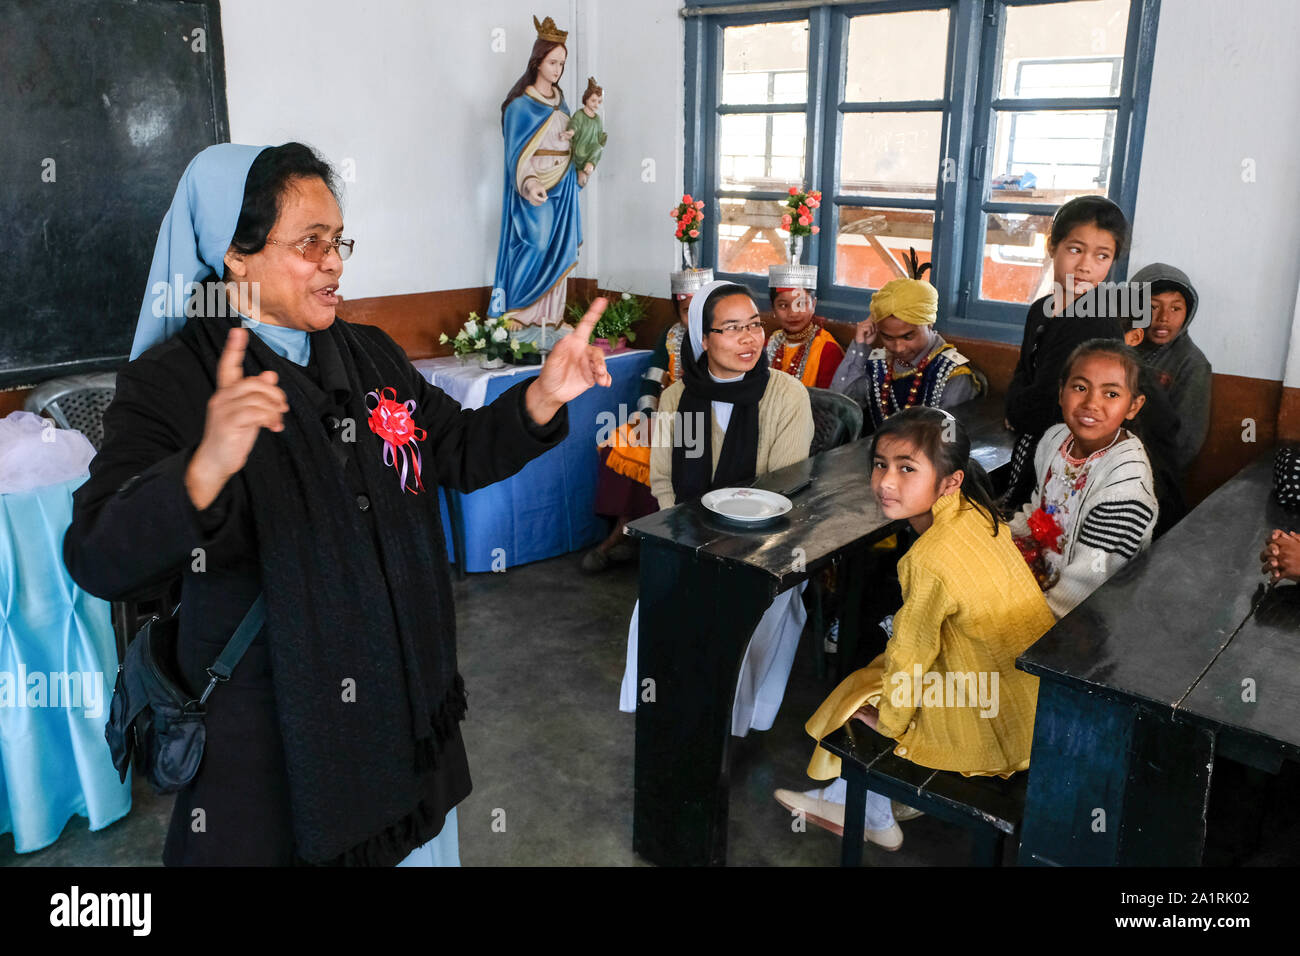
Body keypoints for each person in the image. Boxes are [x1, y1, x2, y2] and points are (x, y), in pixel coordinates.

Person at [63, 142, 613, 866]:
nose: (335, 262)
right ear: (236, 254)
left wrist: (542, 397)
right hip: (282, 743)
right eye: (309, 243)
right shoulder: (172, 382)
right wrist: (202, 471)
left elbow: (455, 449)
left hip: (408, 708)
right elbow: (99, 554)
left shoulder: (371, 354)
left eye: (338, 239)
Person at [775, 407, 1054, 850]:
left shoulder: (930, 557)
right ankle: (862, 806)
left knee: (865, 687)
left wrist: (890, 722)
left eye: (907, 468)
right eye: (881, 464)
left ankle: (867, 810)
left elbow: (911, 654)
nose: (886, 481)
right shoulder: (978, 517)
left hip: (991, 722)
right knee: (882, 667)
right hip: (1032, 705)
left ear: (950, 481)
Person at [619, 280, 815, 736]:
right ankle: (666, 710)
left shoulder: (786, 396)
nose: (750, 339)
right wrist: (683, 545)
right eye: (731, 329)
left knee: (737, 629)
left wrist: (729, 552)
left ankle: (728, 725)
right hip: (689, 540)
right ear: (702, 339)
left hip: (765, 549)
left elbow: (781, 491)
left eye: (753, 326)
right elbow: (665, 483)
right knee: (657, 611)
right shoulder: (677, 398)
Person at [1001, 196, 1181, 515]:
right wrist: (1021, 406)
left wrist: (1018, 409)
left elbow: (1046, 409)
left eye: (1102, 256)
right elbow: (1024, 379)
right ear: (1051, 246)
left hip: (1089, 475)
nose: (1086, 266)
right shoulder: (1041, 311)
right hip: (1046, 454)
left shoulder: (1095, 320)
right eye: (1075, 249)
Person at [1008, 340, 1159, 619]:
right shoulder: (1054, 439)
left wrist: (1028, 622)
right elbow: (1039, 513)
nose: (1091, 404)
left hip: (1085, 617)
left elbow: (1089, 582)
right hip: (1043, 578)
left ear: (1133, 406)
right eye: (1080, 388)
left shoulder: (1124, 485)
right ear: (1061, 392)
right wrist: (997, 540)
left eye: (1111, 394)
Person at [581, 268, 710, 572]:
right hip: (664, 419)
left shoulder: (718, 337)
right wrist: (648, 416)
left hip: (702, 425)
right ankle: (629, 534)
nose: (690, 318)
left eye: (698, 310)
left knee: (662, 456)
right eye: (684, 310)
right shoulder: (670, 335)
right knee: (621, 442)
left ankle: (628, 538)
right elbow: (651, 382)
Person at [488, 16, 581, 340]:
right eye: (553, 62)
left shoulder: (562, 101)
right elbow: (516, 157)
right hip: (534, 188)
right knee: (536, 241)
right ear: (538, 61)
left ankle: (550, 319)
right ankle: (518, 310)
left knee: (559, 246)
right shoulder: (520, 107)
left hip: (563, 185)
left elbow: (570, 138)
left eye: (562, 64)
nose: (557, 70)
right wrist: (529, 183)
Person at [830, 277, 981, 430]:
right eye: (887, 337)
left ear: (929, 323)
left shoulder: (951, 373)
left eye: (908, 336)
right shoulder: (878, 363)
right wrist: (860, 345)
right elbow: (838, 408)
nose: (898, 348)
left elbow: (948, 439)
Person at [1130, 262, 1211, 476]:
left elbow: (1185, 443)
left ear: (1188, 312)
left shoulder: (1191, 363)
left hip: (1153, 477)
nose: (1164, 318)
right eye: (1152, 306)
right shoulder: (1115, 347)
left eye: (1176, 308)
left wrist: (1141, 477)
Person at [764, 263, 843, 389]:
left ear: (814, 304)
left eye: (801, 304)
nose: (793, 313)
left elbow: (828, 404)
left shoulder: (827, 351)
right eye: (783, 305)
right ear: (773, 309)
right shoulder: (768, 344)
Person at [566, 76, 607, 189]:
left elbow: (599, 140)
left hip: (590, 153)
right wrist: (571, 132)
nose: (596, 104)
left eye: (599, 102)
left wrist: (602, 139)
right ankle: (588, 165)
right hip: (580, 150)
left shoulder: (598, 120)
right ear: (586, 99)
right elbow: (575, 124)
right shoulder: (579, 115)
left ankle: (590, 164)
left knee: (598, 148)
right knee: (597, 148)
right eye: (593, 100)